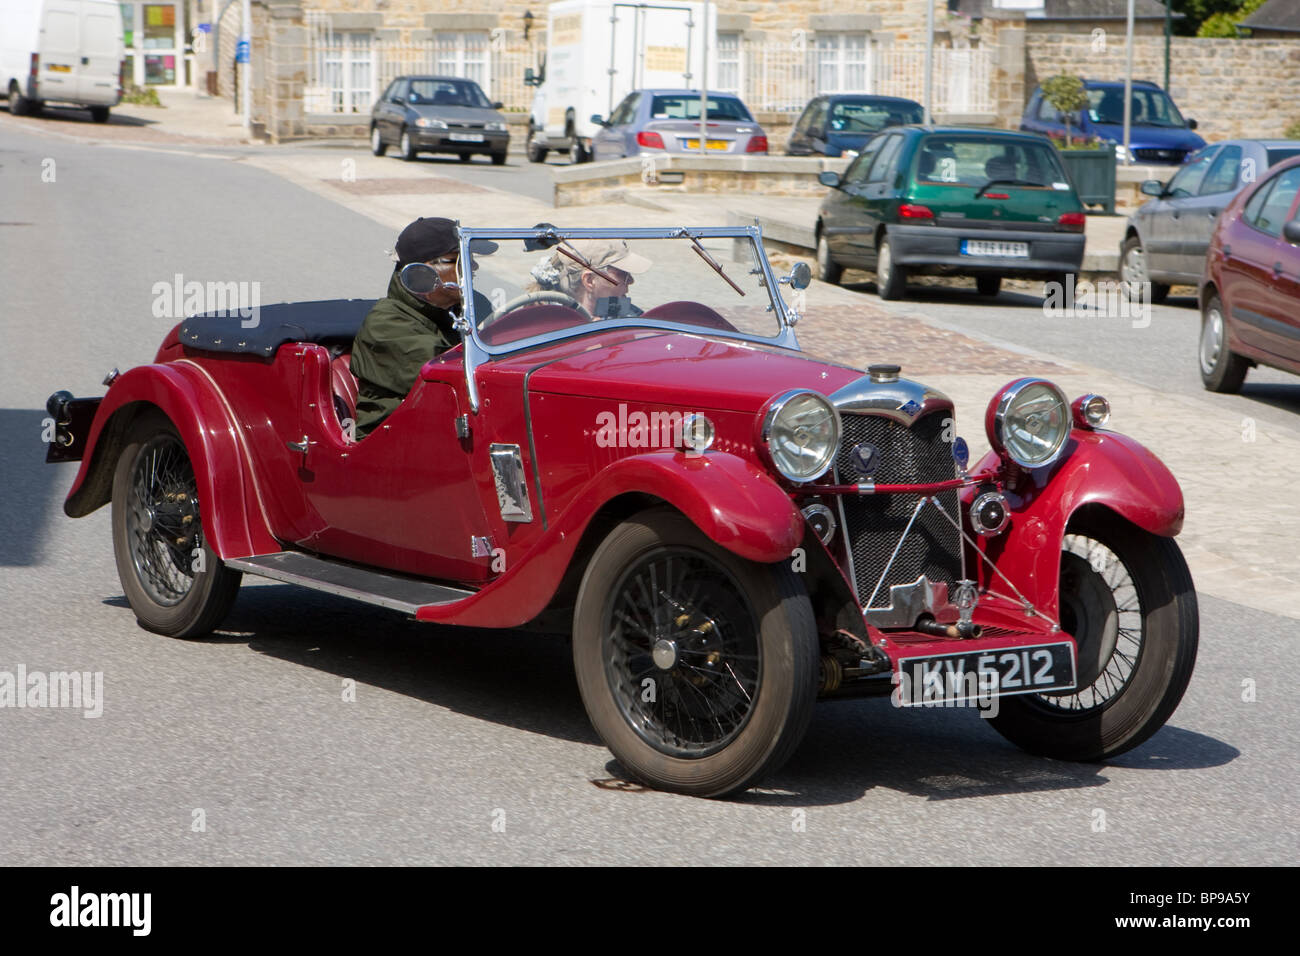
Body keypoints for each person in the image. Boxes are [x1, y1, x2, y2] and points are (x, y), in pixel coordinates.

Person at [349, 217, 492, 439]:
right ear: (422, 272)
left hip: (452, 431)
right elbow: (448, 379)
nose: (472, 266)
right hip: (394, 445)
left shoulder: (473, 304)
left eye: (470, 257)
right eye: (457, 259)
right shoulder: (385, 324)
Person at [527, 239, 651, 319]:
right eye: (622, 274)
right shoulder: (549, 327)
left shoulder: (623, 313)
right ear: (589, 281)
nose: (631, 281)